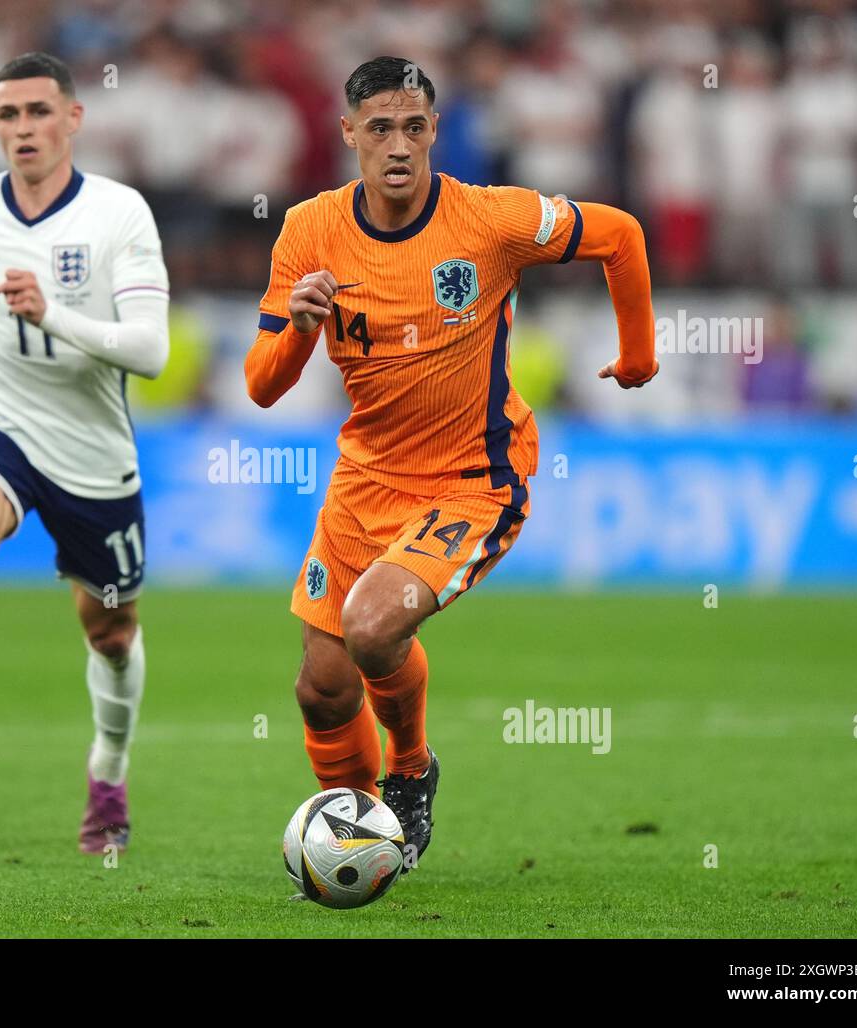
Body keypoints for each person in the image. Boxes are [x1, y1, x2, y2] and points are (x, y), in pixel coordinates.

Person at [246, 56, 657, 874]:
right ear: (349, 134)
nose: (397, 144)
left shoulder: (489, 221)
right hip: (363, 480)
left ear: (434, 130)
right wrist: (294, 325)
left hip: (472, 480)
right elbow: (263, 387)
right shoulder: (309, 230)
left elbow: (620, 235)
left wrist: (639, 353)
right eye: (379, 128)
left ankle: (411, 771)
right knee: (321, 689)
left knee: (372, 625)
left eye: (413, 126)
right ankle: (361, 841)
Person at [0, 52, 169, 854]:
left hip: (93, 449)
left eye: (40, 112)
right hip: (3, 420)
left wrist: (54, 316)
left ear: (74, 119)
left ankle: (108, 776)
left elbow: (149, 351)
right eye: (9, 116)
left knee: (111, 631)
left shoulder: (119, 215)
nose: (24, 129)